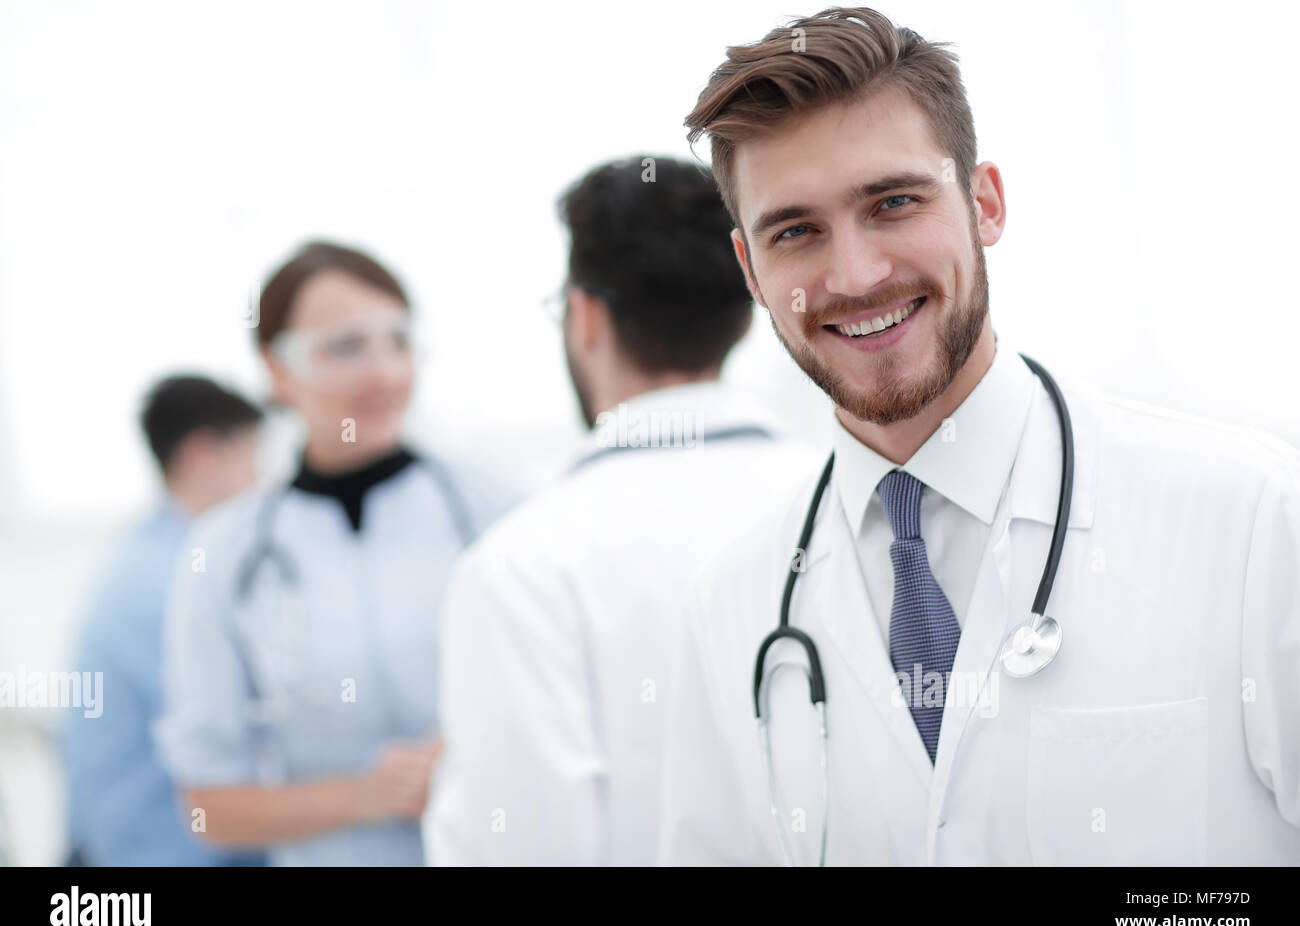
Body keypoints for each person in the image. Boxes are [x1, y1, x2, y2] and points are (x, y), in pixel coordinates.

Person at [657, 6, 1300, 866]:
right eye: (797, 231)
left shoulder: (1251, 519)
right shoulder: (729, 604)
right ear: (750, 270)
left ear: (984, 202)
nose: (854, 275)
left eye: (892, 202)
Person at [425, 157, 820, 865]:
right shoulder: (854, 506)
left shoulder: (522, 567)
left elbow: (520, 847)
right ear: (743, 303)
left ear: (584, 316)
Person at [156, 240, 516, 866]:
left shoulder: (496, 509)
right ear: (276, 369)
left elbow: (576, 705)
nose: (384, 372)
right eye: (345, 347)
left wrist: (471, 751)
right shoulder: (224, 554)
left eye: (397, 340)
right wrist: (367, 796)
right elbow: (209, 807)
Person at [62, 375, 266, 866]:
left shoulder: (155, 551)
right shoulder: (168, 581)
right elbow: (247, 733)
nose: (262, 482)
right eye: (252, 460)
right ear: (202, 456)